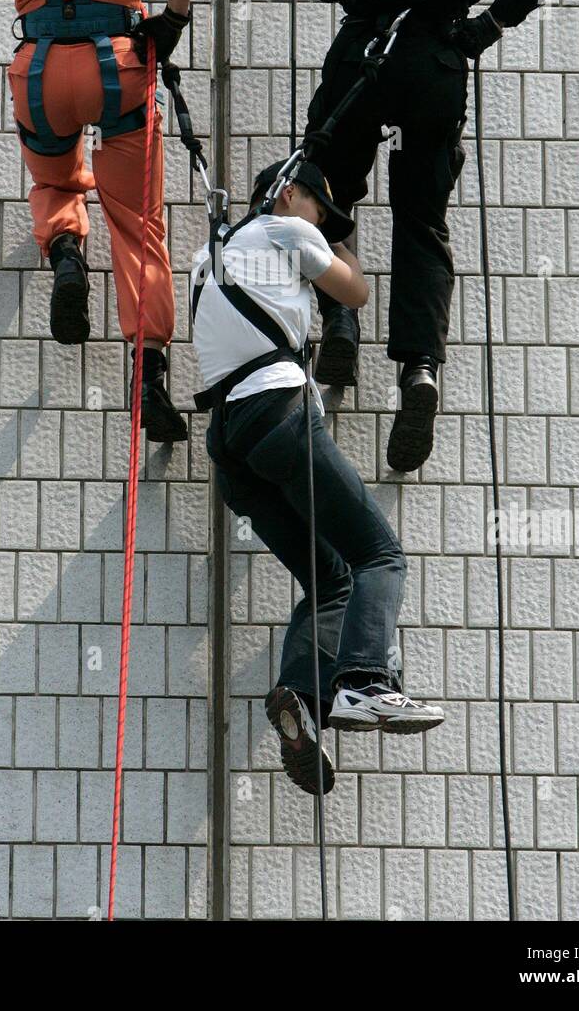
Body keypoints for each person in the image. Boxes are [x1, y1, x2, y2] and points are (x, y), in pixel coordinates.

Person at [302, 0, 568, 472]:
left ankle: (340, 319)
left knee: (326, 186)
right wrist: (488, 27)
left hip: (366, 52)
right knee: (422, 221)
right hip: (440, 62)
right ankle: (419, 372)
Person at [191, 159, 445, 795]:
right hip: (280, 415)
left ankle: (298, 698)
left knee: (330, 578)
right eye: (318, 209)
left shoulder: (206, 259)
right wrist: (332, 251)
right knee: (380, 555)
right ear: (286, 193)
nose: (323, 227)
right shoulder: (284, 230)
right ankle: (364, 683)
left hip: (230, 445)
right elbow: (354, 293)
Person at [0, 0, 202, 442]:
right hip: (118, 68)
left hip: (38, 72)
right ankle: (148, 375)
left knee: (56, 183)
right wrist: (174, 16)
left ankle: (67, 257)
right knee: (140, 227)